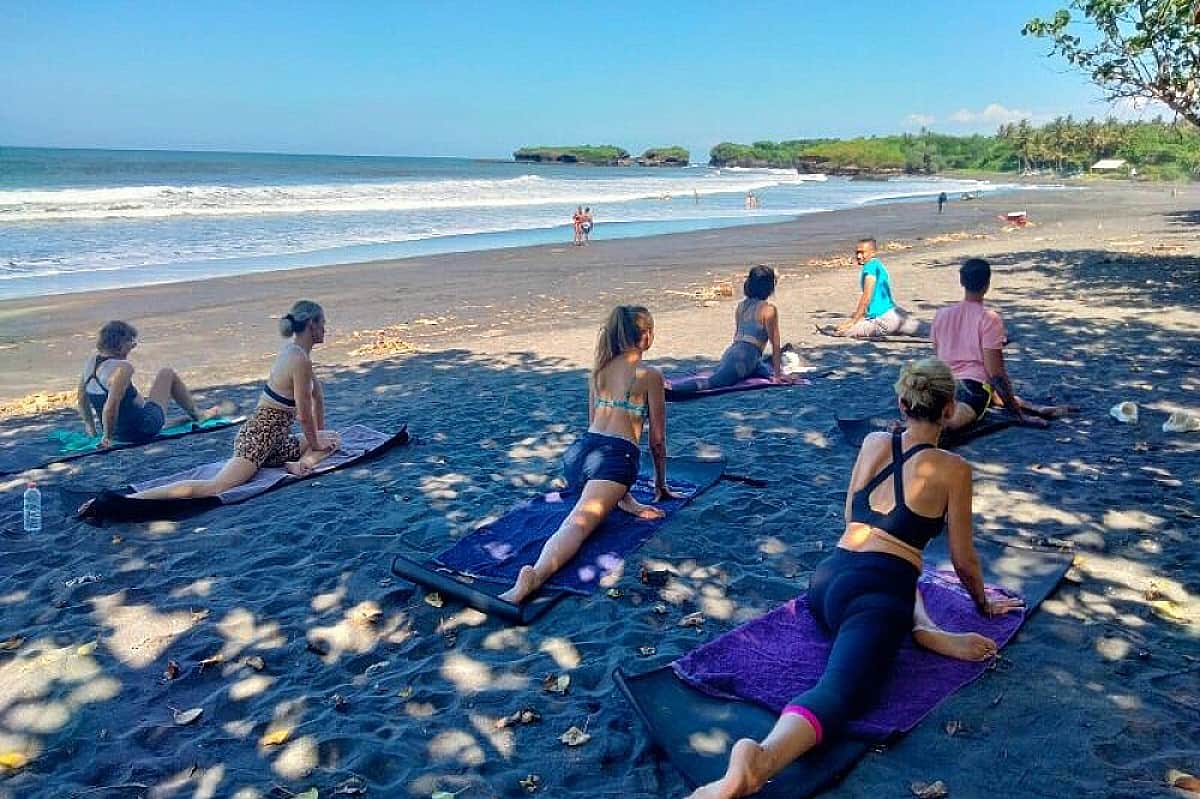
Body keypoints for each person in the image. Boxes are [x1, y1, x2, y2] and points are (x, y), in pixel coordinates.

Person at [686, 359, 1024, 799]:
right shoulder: (953, 469)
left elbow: (851, 517)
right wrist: (982, 603)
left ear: (902, 404)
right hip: (876, 595)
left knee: (899, 586)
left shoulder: (873, 442)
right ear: (948, 411)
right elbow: (963, 560)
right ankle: (761, 761)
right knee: (843, 692)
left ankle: (921, 628)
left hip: (827, 582)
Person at [83, 302, 340, 509]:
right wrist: (315, 442)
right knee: (215, 486)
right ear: (311, 325)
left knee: (333, 437)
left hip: (275, 440)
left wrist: (318, 436)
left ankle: (302, 463)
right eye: (323, 324)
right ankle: (124, 501)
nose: (325, 329)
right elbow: (305, 417)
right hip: (259, 438)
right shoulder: (298, 360)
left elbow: (317, 397)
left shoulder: (295, 353)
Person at [499, 306, 676, 604]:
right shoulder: (650, 375)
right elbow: (657, 441)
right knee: (575, 525)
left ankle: (624, 499)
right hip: (613, 461)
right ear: (645, 337)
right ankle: (535, 577)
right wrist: (660, 485)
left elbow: (593, 423)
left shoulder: (600, 370)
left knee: (599, 490)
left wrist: (626, 496)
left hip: (580, 457)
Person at [931, 258, 1075, 432]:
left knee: (932, 417)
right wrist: (1018, 415)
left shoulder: (941, 315)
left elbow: (939, 357)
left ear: (962, 281)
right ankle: (1029, 409)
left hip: (942, 384)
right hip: (971, 387)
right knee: (947, 425)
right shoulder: (989, 319)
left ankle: (1034, 407)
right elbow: (996, 374)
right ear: (987, 284)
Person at [76, 320, 226, 448]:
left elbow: (82, 398)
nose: (132, 347)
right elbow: (111, 407)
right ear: (121, 344)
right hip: (139, 429)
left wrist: (91, 428)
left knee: (138, 400)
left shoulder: (90, 362)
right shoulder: (122, 368)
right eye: (131, 343)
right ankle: (197, 415)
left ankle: (182, 419)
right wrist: (107, 438)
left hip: (118, 432)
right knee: (167, 374)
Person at [669, 265, 793, 394]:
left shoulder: (741, 306)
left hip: (732, 352)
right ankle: (672, 388)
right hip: (746, 357)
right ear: (769, 287)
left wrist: (766, 372)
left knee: (722, 373)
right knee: (715, 382)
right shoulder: (769, 310)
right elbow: (775, 344)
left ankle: (673, 385)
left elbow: (740, 337)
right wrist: (778, 376)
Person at [832, 238, 922, 338]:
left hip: (884, 319)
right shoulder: (877, 265)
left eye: (862, 253)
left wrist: (853, 322)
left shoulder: (870, 267)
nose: (858, 256)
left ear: (873, 253)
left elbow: (867, 296)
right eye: (857, 252)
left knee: (841, 331)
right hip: (897, 314)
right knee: (928, 330)